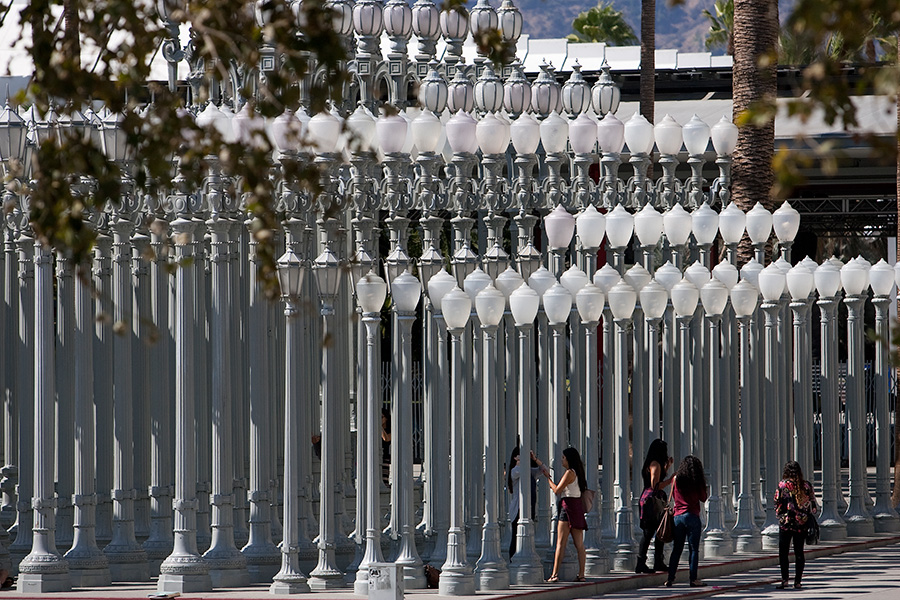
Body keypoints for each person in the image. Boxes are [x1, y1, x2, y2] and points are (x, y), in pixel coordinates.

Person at [546, 447, 588, 583]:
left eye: (563, 457)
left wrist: (548, 479)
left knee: (560, 543)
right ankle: (581, 575)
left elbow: (557, 490)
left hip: (567, 507)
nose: (562, 460)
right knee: (579, 545)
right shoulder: (578, 473)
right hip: (577, 508)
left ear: (569, 459)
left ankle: (554, 574)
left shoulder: (569, 473)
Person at [665, 455, 708, 588]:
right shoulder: (696, 480)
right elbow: (703, 498)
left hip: (678, 517)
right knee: (693, 549)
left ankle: (670, 578)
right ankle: (693, 579)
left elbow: (673, 496)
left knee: (676, 549)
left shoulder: (676, 479)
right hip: (692, 516)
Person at [774, 460, 818, 590]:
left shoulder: (782, 486)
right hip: (801, 524)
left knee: (783, 552)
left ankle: (785, 580)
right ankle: (798, 581)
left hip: (786, 523)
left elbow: (777, 503)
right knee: (799, 552)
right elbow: (814, 507)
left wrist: (781, 515)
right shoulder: (806, 486)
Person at [636, 439, 674, 574]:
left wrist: (667, 467)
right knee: (650, 532)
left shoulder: (653, 464)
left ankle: (656, 561)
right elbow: (655, 485)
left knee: (658, 530)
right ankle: (644, 562)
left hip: (648, 499)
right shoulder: (655, 464)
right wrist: (670, 480)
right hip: (652, 501)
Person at [507, 446, 549, 558]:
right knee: (516, 536)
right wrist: (525, 460)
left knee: (527, 534)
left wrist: (534, 459)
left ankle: (524, 556)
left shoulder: (529, 470)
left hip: (529, 506)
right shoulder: (514, 470)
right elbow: (521, 471)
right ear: (516, 457)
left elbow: (543, 469)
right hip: (518, 508)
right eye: (521, 454)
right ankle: (513, 558)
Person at [381, 407, 391, 487]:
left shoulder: (389, 429)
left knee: (384, 478)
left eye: (382, 417)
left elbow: (386, 439)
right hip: (377, 455)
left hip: (385, 455)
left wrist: (380, 428)